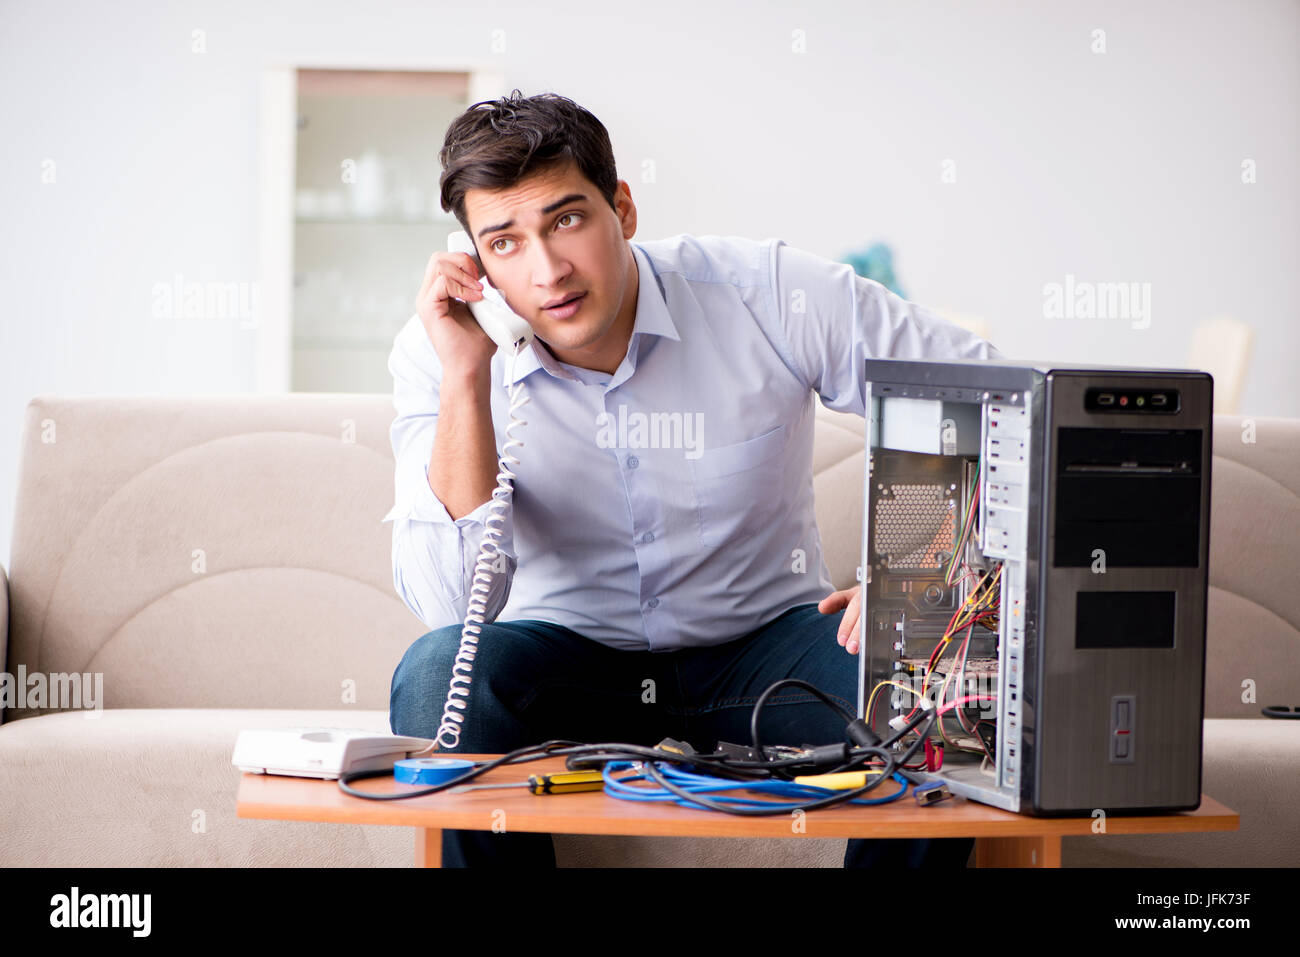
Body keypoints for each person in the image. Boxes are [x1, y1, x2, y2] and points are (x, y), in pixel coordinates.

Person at [385, 89, 1002, 867]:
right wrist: (467, 378)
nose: (548, 271)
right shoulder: (441, 353)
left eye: (567, 219)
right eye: (505, 243)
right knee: (441, 673)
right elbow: (451, 609)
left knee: (942, 667)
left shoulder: (769, 293)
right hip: (571, 664)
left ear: (624, 209)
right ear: (473, 260)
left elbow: (984, 396)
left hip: (768, 652)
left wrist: (919, 574)